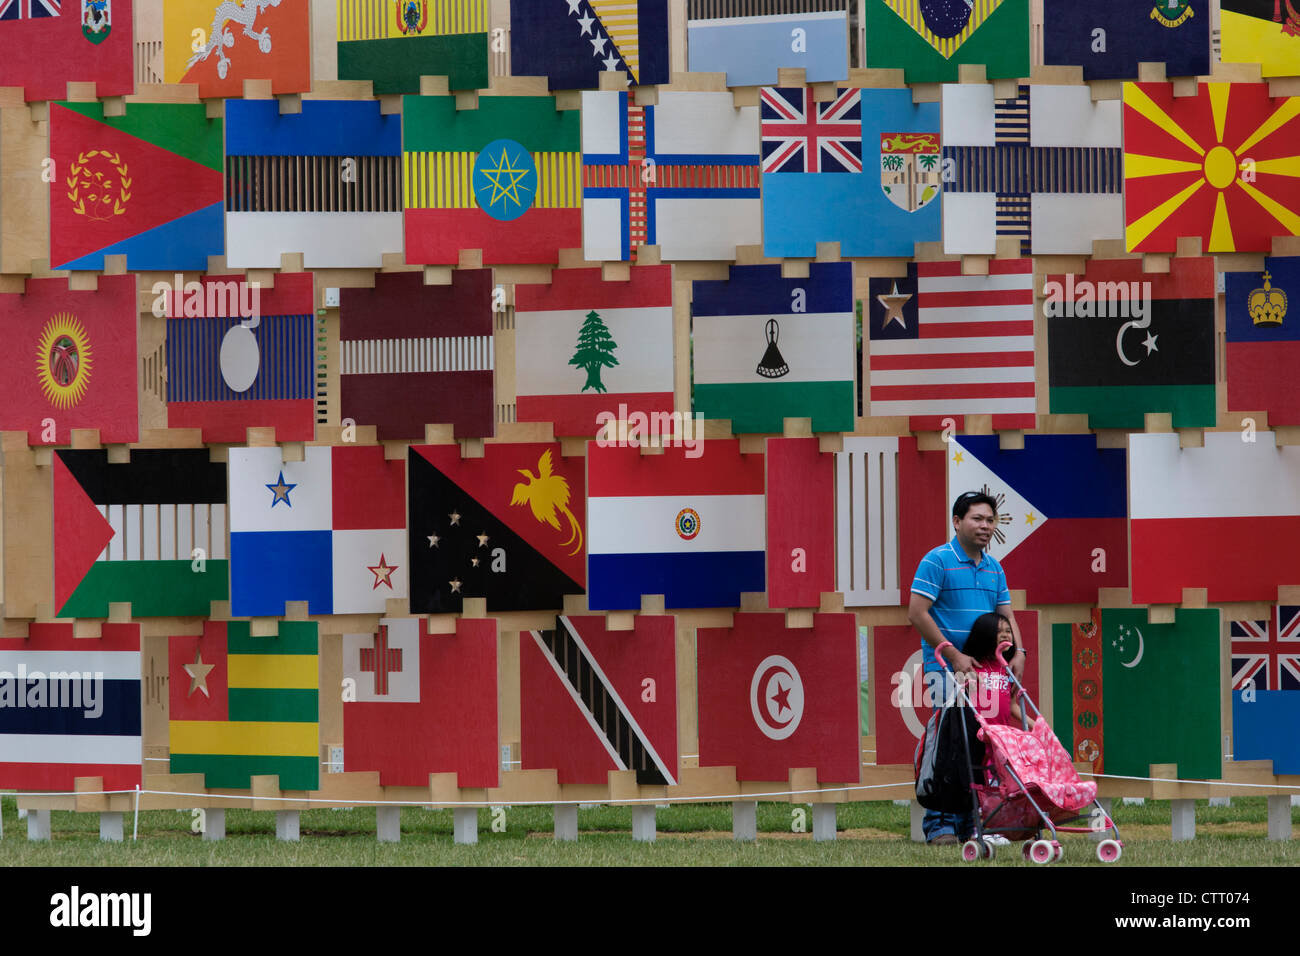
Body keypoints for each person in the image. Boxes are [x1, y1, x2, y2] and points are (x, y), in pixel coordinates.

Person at [908, 491, 1025, 845]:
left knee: (983, 747)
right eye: (977, 519)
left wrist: (1018, 652)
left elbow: (1006, 615)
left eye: (990, 520)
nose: (985, 526)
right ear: (957, 522)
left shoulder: (994, 568)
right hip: (947, 671)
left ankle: (974, 823)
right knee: (952, 744)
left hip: (989, 673)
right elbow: (917, 613)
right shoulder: (937, 561)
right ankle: (940, 825)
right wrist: (953, 655)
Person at [961, 611, 1023, 729]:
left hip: (1001, 737)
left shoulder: (1009, 669)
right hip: (976, 736)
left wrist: (1037, 726)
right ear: (985, 634)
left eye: (1008, 631)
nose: (1005, 635)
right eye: (998, 631)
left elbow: (1012, 706)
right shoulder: (971, 668)